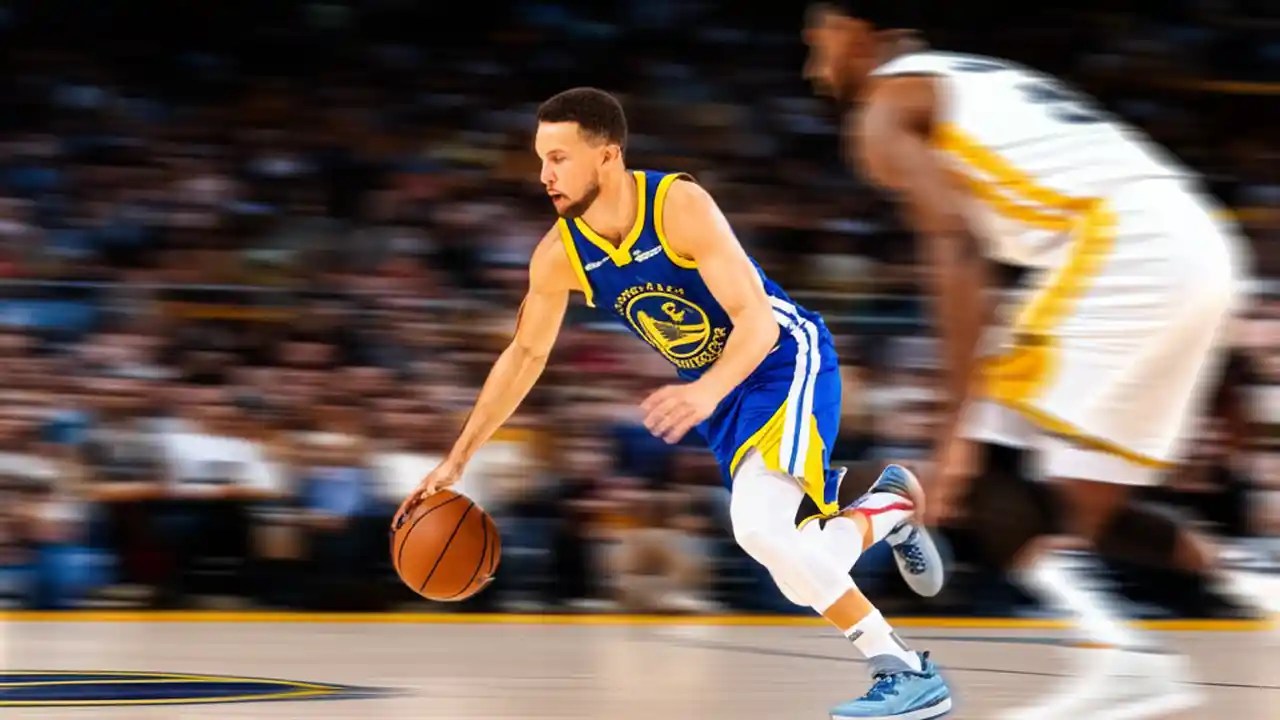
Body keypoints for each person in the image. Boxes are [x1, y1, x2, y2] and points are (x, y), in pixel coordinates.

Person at [392, 86, 953, 719]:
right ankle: (888, 505)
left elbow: (757, 324)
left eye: (559, 158)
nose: (543, 175)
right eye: (540, 159)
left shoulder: (678, 204)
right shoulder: (560, 254)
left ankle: (903, 669)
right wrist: (457, 460)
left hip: (782, 360)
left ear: (608, 156)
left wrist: (704, 391)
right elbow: (524, 355)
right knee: (797, 568)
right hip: (722, 394)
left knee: (760, 531)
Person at [803, 2, 1259, 718]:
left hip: (1122, 247)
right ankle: (1256, 583)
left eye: (818, 35)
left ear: (860, 28)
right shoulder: (972, 73)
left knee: (979, 470)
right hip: (1203, 245)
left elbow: (953, 242)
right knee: (1079, 500)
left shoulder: (884, 107)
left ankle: (1126, 660)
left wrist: (953, 429)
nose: (812, 62)